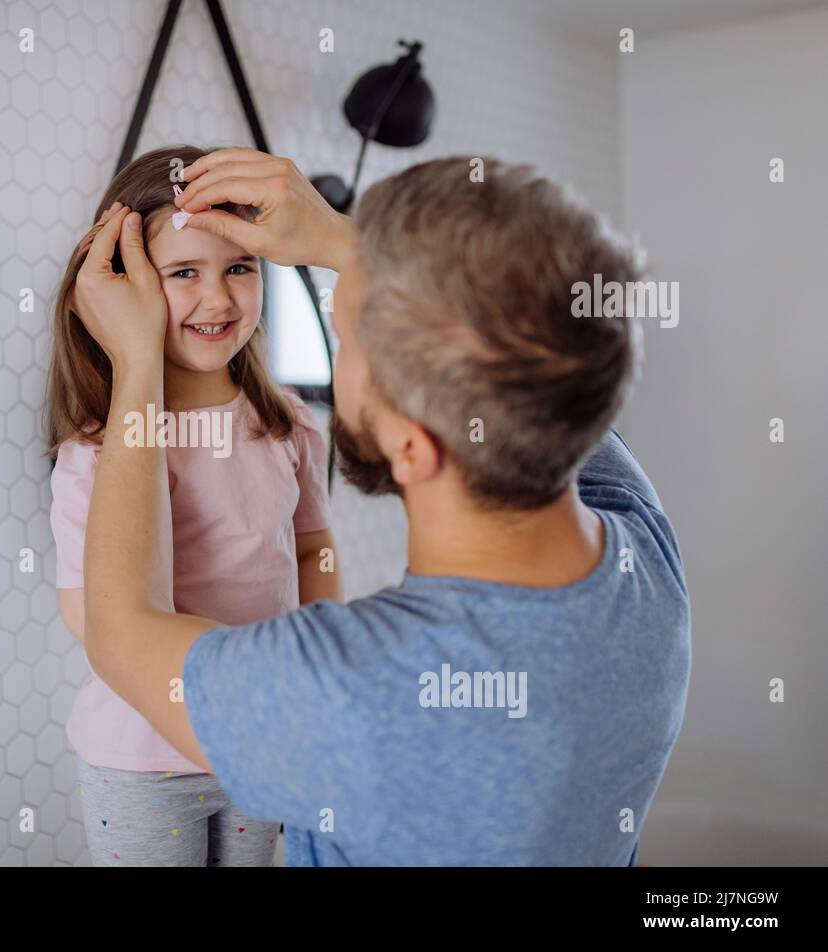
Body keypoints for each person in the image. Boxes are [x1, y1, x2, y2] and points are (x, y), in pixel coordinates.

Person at [69, 148, 691, 866]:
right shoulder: (647, 563)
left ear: (412, 445)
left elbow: (119, 630)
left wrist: (137, 360)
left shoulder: (350, 692)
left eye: (350, 334)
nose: (338, 340)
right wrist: (342, 240)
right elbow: (545, 356)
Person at [47, 146, 342, 866]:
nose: (219, 300)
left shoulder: (291, 425)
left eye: (239, 267)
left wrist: (316, 662)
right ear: (128, 286)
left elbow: (312, 550)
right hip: (143, 761)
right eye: (184, 273)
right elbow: (93, 616)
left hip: (262, 744)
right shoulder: (97, 454)